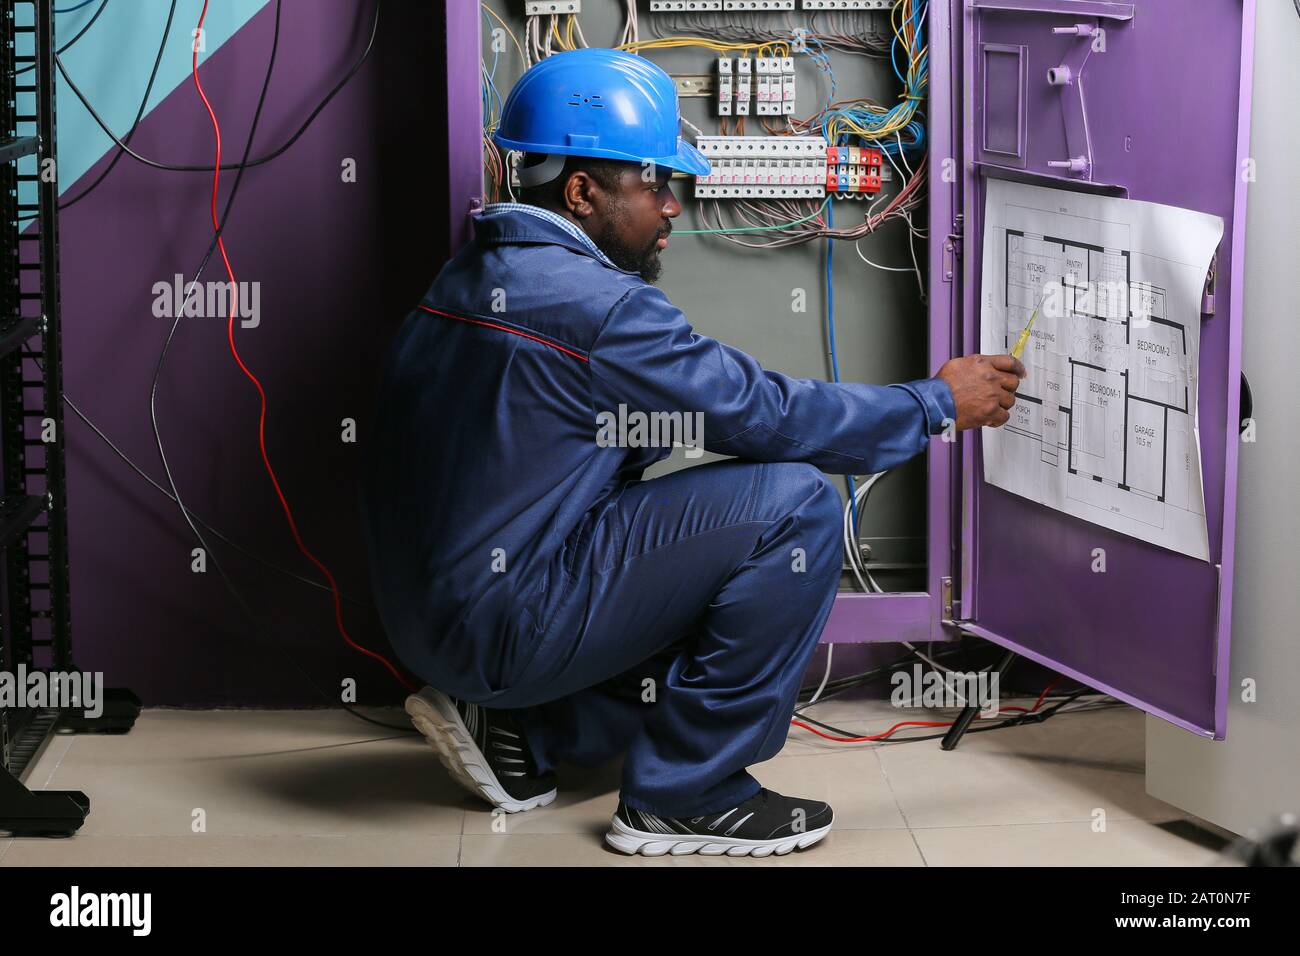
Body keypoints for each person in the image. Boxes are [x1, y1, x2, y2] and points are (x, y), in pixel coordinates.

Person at [360, 48, 1024, 857]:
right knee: (794, 505)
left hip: (431, 620)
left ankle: (521, 729)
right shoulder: (596, 308)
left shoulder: (471, 272)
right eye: (654, 185)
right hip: (498, 626)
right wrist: (935, 403)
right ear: (581, 193)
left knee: (687, 516)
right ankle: (686, 794)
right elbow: (766, 415)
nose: (673, 207)